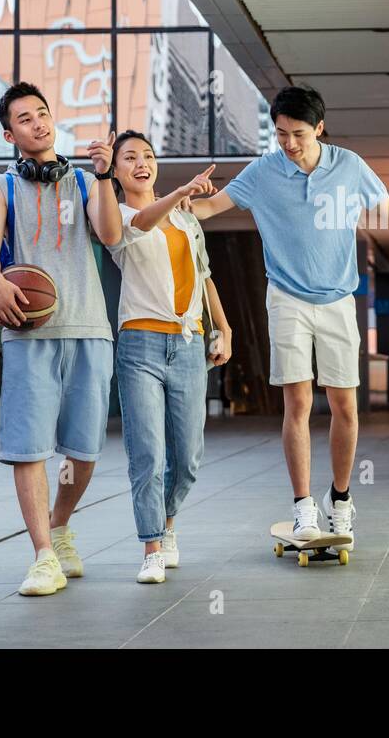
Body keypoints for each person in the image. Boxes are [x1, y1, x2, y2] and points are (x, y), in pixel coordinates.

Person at [191, 85, 389, 547]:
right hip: (285, 298)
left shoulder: (349, 167)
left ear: (320, 129)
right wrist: (188, 197)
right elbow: (209, 209)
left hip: (337, 301)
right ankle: (303, 507)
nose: (289, 143)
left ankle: (341, 500)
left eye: (299, 134)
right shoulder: (262, 172)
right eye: (281, 133)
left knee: (345, 406)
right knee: (298, 404)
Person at [0, 82, 123, 596]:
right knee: (28, 450)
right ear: (9, 133)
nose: (38, 123)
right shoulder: (1, 187)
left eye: (43, 114)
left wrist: (104, 177)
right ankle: (42, 555)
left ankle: (59, 526)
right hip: (27, 334)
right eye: (25, 118)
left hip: (88, 328)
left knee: (83, 452)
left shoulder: (84, 181)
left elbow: (109, 234)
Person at [105, 131, 232, 583]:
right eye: (130, 158)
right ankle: (152, 547)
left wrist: (224, 327)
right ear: (116, 172)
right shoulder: (117, 214)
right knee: (148, 453)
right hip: (139, 344)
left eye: (148, 156)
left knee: (189, 455)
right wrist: (179, 192)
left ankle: (168, 522)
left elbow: (205, 276)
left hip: (188, 343)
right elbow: (139, 226)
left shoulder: (187, 220)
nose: (142, 163)